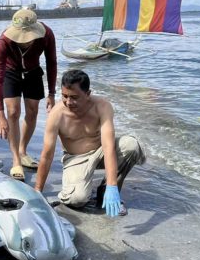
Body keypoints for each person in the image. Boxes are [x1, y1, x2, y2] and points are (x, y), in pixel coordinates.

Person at [34, 69, 145, 217]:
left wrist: (112, 185)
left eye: (74, 97)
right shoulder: (57, 114)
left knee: (131, 145)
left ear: (88, 93)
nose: (68, 102)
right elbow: (47, 155)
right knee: (76, 200)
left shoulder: (102, 106)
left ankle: (107, 192)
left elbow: (108, 146)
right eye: (64, 96)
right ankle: (83, 189)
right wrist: (37, 192)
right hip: (76, 157)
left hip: (101, 151)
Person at [0, 8, 57, 182]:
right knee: (12, 112)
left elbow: (51, 63)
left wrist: (52, 93)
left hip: (33, 71)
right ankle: (16, 159)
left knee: (33, 110)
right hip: (10, 72)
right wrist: (0, 114)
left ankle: (23, 151)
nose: (24, 42)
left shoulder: (47, 34)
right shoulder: (4, 41)